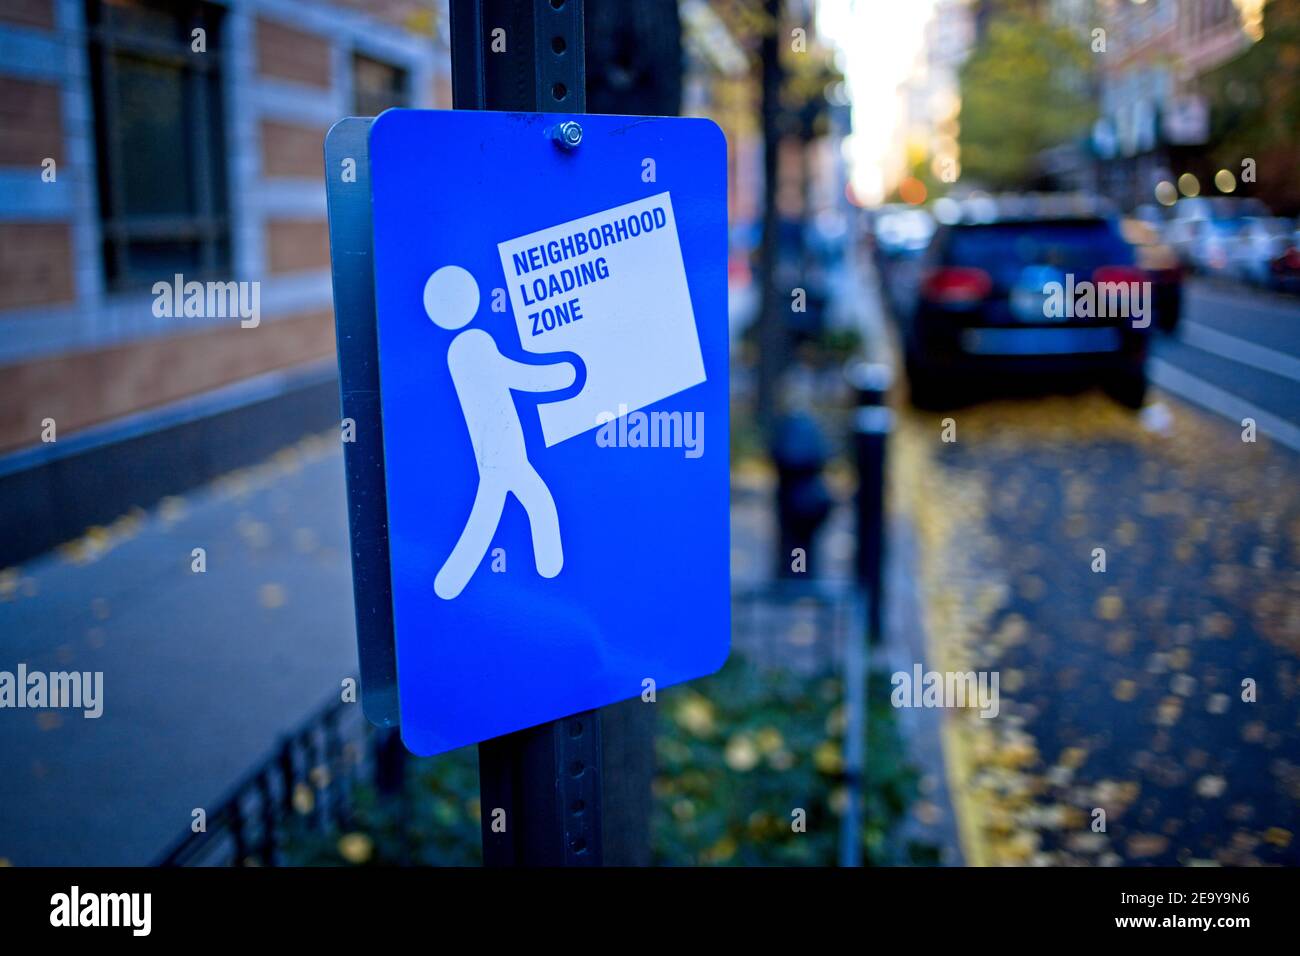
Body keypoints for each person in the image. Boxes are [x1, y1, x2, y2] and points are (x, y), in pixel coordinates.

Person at [422, 265, 576, 600]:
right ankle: (454, 583)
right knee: (525, 504)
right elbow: (517, 376)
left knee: (517, 506)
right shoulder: (474, 345)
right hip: (502, 450)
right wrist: (564, 375)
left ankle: (455, 582)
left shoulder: (457, 352)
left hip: (496, 450)